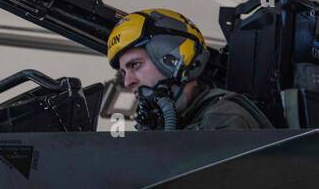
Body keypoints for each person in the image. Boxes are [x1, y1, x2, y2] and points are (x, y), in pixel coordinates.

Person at [106, 8, 272, 131]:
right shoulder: (165, 127)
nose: (128, 82)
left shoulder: (224, 120)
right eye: (124, 72)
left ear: (174, 60)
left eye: (135, 65)